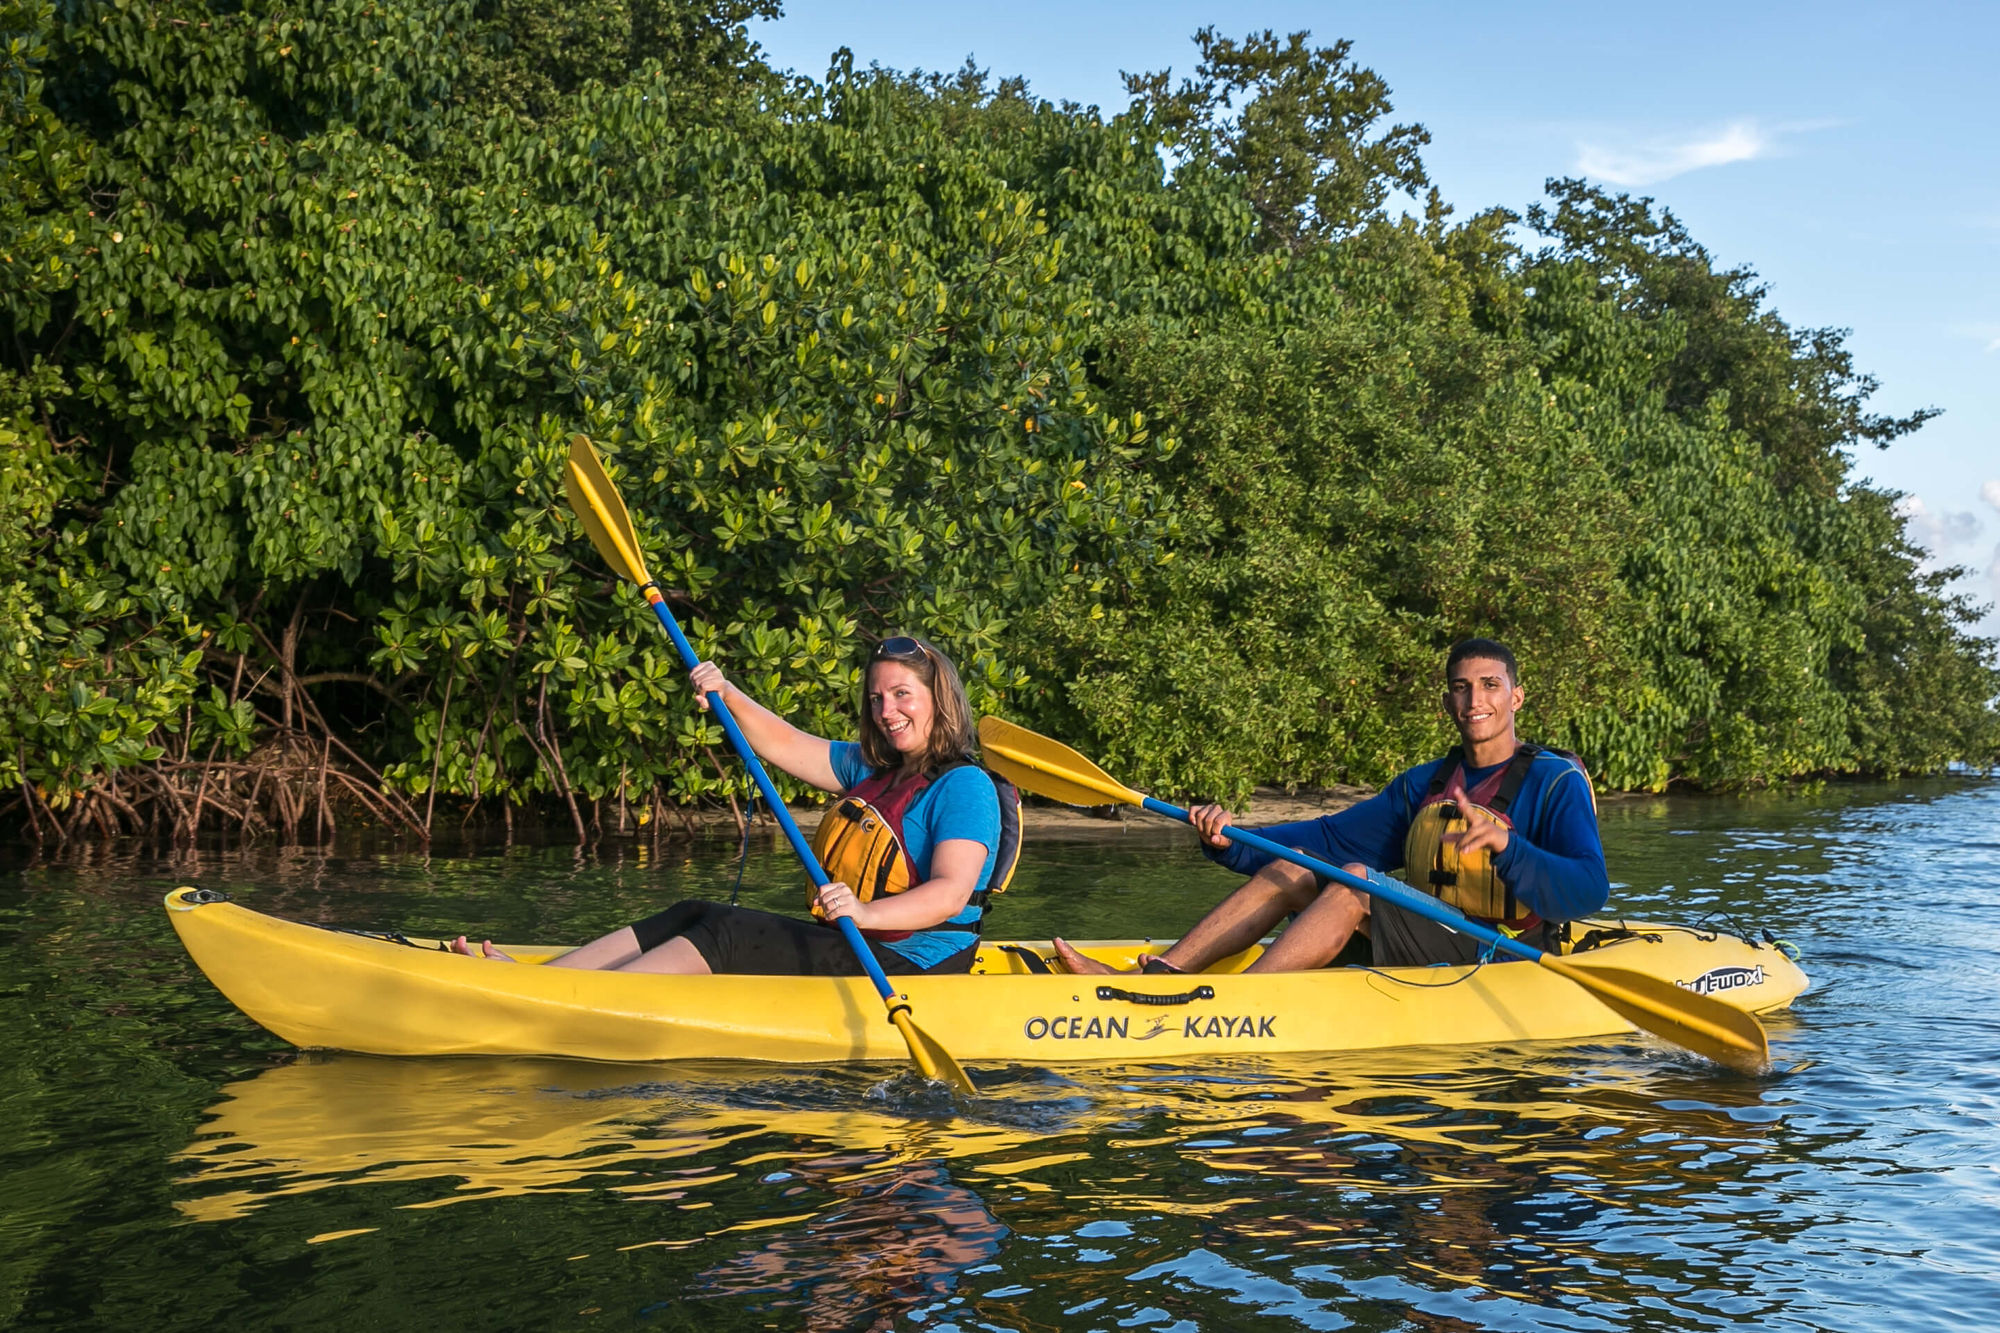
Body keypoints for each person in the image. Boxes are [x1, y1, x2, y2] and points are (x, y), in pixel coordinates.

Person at [452, 635, 1010, 975]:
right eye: (877, 698)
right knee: (697, 912)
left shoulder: (964, 786)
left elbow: (949, 893)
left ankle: (579, 1001)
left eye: (902, 694)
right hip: (861, 944)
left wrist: (866, 914)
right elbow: (785, 743)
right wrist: (727, 692)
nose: (887, 711)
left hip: (917, 962)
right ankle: (546, 981)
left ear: (939, 697)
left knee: (729, 934)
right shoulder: (873, 767)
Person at [1052, 637, 1608, 976]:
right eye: (1462, 688)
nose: (1475, 700)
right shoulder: (1426, 783)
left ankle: (1236, 1007)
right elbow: (1327, 840)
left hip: (1503, 954)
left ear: (1516, 696)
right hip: (1434, 937)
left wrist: (1509, 848)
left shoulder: (1553, 782)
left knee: (1354, 881)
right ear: (1447, 702)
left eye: (1490, 685)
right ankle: (1161, 977)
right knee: (1298, 866)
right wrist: (1229, 841)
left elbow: (1587, 890)